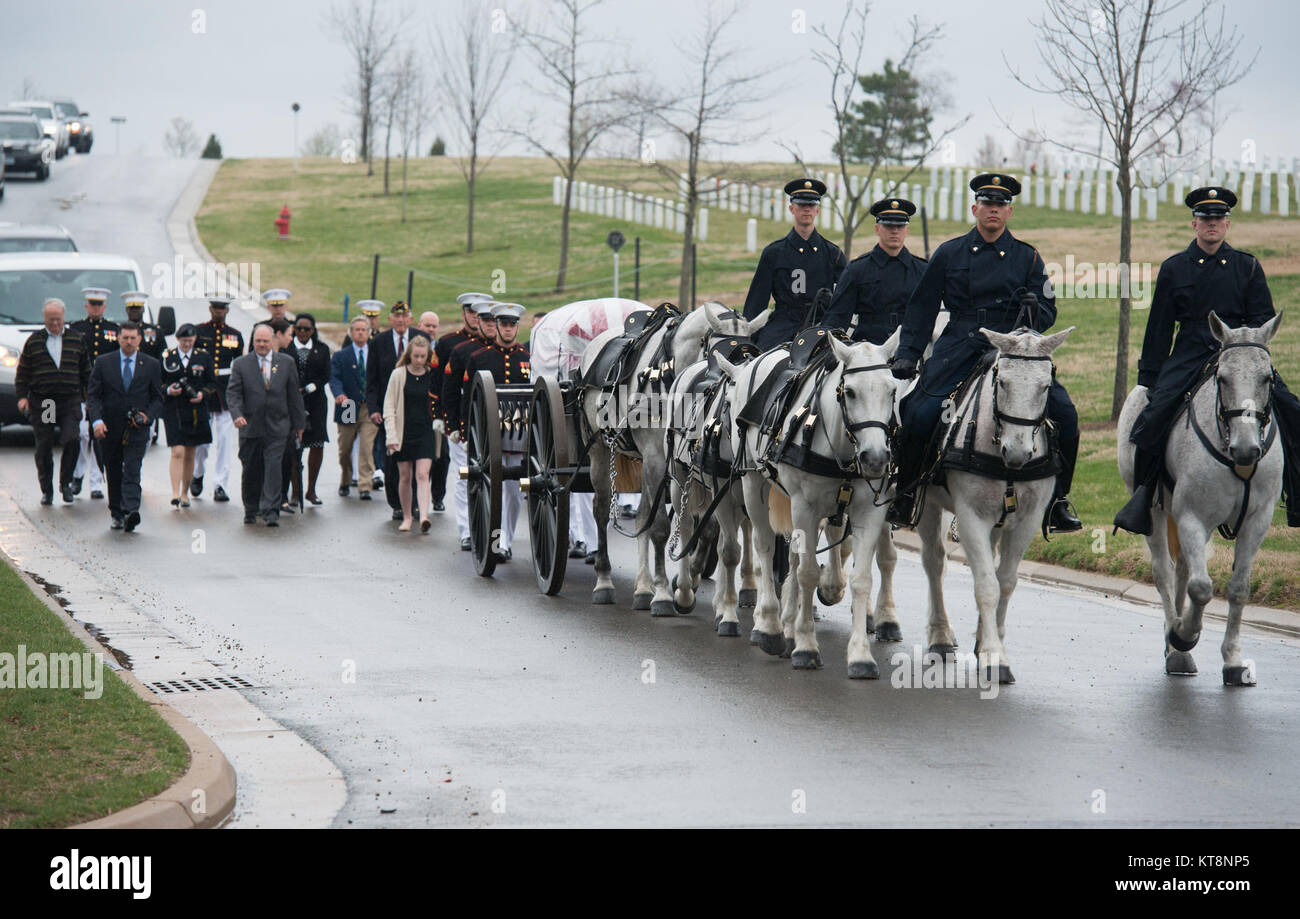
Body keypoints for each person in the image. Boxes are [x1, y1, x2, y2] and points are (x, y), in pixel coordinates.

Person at [887, 173, 1082, 533]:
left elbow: (1049, 311)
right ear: (975, 208)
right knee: (919, 411)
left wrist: (1033, 308)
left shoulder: (1028, 256)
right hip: (961, 342)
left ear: (1009, 211)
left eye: (1000, 204)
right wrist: (909, 353)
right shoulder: (950, 253)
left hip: (1013, 347)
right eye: (987, 203)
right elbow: (922, 307)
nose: (993, 210)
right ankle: (907, 492)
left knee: (1066, 416)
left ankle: (1058, 503)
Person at [1114, 186, 1300, 534]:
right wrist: (1150, 379)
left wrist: (1253, 356)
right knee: (1152, 420)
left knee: (1291, 411)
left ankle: (1296, 496)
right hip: (1190, 352)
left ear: (1227, 224)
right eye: (1205, 218)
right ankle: (1143, 499)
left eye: (1218, 218)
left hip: (1241, 354)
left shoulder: (1247, 267)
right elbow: (1159, 327)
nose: (1211, 224)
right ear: (1194, 224)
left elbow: (1262, 320)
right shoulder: (1174, 268)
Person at [742, 178, 846, 350]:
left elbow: (845, 297)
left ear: (817, 210)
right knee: (762, 361)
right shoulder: (773, 253)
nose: (806, 209)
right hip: (783, 323)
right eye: (801, 204)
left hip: (821, 324)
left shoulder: (833, 253)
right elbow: (757, 300)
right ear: (791, 208)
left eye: (811, 205)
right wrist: (750, 335)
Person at [462, 302, 530, 560]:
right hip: (489, 434)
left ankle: (506, 542)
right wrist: (464, 428)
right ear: (497, 326)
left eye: (513, 325)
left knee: (513, 491)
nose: (508, 329)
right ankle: (493, 539)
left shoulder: (526, 358)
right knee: (492, 488)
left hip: (518, 432)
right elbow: (469, 397)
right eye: (504, 324)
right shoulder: (480, 358)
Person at [86, 322, 164, 532]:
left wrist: (146, 416)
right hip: (110, 426)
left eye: (133, 338)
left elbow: (158, 398)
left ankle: (131, 510)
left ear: (139, 339)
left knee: (132, 467)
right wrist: (96, 421)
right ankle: (117, 513)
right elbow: (93, 396)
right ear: (118, 338)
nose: (129, 342)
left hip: (137, 428)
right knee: (113, 468)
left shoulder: (151, 364)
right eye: (125, 338)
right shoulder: (104, 362)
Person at [226, 324, 305, 526]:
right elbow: (233, 393)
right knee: (251, 469)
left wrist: (299, 425)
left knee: (273, 468)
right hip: (250, 426)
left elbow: (294, 396)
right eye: (258, 341)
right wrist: (237, 415)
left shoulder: (286, 363)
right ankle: (251, 509)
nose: (262, 345)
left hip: (278, 426)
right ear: (253, 342)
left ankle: (271, 511)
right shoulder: (241, 364)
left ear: (272, 341)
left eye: (265, 341)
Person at [14, 298, 89, 505]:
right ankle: (46, 489)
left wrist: (89, 398)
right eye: (50, 320)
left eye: (58, 319)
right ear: (44, 319)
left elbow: (86, 372)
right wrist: (22, 397)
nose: (54, 324)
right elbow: (23, 373)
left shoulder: (76, 339)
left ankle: (66, 483)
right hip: (46, 402)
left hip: (69, 400)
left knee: (72, 439)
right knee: (45, 444)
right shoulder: (35, 341)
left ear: (64, 317)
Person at [823, 197, 927, 344]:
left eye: (900, 226)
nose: (894, 231)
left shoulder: (922, 270)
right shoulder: (857, 270)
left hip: (910, 348)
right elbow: (837, 317)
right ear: (877, 229)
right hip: (867, 351)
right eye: (889, 226)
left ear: (907, 230)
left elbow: (931, 316)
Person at [444, 299, 499, 550]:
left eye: (491, 320)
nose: (487, 324)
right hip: (469, 427)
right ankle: (467, 530)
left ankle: (497, 536)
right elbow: (451, 391)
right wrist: (452, 425)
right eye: (484, 320)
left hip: (500, 429)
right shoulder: (463, 351)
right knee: (464, 477)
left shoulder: (510, 353)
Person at [366, 301, 420, 521]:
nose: (400, 320)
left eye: (404, 316)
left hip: (414, 408)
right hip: (388, 409)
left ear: (410, 318)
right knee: (393, 456)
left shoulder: (419, 339)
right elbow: (371, 379)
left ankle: (414, 503)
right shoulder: (379, 342)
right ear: (390, 319)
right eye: (396, 316)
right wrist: (373, 409)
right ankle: (396, 503)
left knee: (416, 457)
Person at [383, 336, 440, 532]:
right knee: (405, 476)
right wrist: (391, 436)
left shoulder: (432, 375)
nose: (418, 360)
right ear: (409, 355)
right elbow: (389, 406)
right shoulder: (398, 375)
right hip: (403, 431)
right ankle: (407, 517)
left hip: (426, 430)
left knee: (423, 474)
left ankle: (424, 516)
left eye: (422, 356)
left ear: (427, 356)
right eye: (415, 356)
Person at [192, 298, 245, 502]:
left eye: (222, 308)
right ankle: (197, 474)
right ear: (210, 309)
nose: (219, 311)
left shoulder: (235, 335)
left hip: (225, 391)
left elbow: (239, 365)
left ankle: (220, 484)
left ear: (227, 310)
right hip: (205, 389)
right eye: (216, 308)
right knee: (203, 442)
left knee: (224, 441)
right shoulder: (199, 331)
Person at [69, 287, 120, 500]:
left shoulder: (113, 329)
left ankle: (97, 482)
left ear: (104, 307)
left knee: (100, 436)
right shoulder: (76, 328)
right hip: (82, 389)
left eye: (99, 305)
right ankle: (78, 473)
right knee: (82, 434)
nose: (96, 308)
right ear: (86, 306)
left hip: (105, 391)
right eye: (92, 304)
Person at [160, 323, 216, 507]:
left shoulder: (203, 357)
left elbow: (212, 383)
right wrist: (168, 390)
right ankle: (175, 493)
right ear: (178, 339)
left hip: (195, 410)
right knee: (177, 451)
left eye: (190, 341)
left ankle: (185, 493)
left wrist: (203, 394)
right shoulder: (168, 357)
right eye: (184, 341)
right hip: (174, 409)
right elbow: (158, 382)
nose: (187, 344)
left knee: (191, 451)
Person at [283, 312, 331, 507]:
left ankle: (311, 489)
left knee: (317, 444)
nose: (302, 332)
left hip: (316, 401)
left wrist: (311, 386)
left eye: (307, 329)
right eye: (299, 328)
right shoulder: (287, 348)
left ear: (313, 330)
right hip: (293, 402)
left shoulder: (322, 348)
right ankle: (296, 492)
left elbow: (326, 373)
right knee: (296, 447)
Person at [331, 316, 380, 499]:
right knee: (345, 448)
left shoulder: (375, 354)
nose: (360, 333)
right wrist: (339, 395)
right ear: (351, 333)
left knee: (367, 447)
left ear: (369, 333)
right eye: (357, 330)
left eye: (363, 329)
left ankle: (365, 485)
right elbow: (334, 378)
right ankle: (345, 479)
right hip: (348, 405)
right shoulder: (341, 356)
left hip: (368, 406)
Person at [415, 310, 449, 512]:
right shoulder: (415, 349)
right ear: (420, 326)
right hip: (418, 411)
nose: (431, 329)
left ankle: (438, 496)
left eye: (434, 326)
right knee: (419, 455)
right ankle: (419, 497)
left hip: (439, 412)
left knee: (441, 456)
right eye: (427, 325)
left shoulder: (442, 350)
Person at [122, 291, 166, 361]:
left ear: (143, 309)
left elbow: (162, 357)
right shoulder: (119, 331)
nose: (134, 311)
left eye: (137, 308)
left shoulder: (156, 331)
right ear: (126, 310)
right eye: (131, 308)